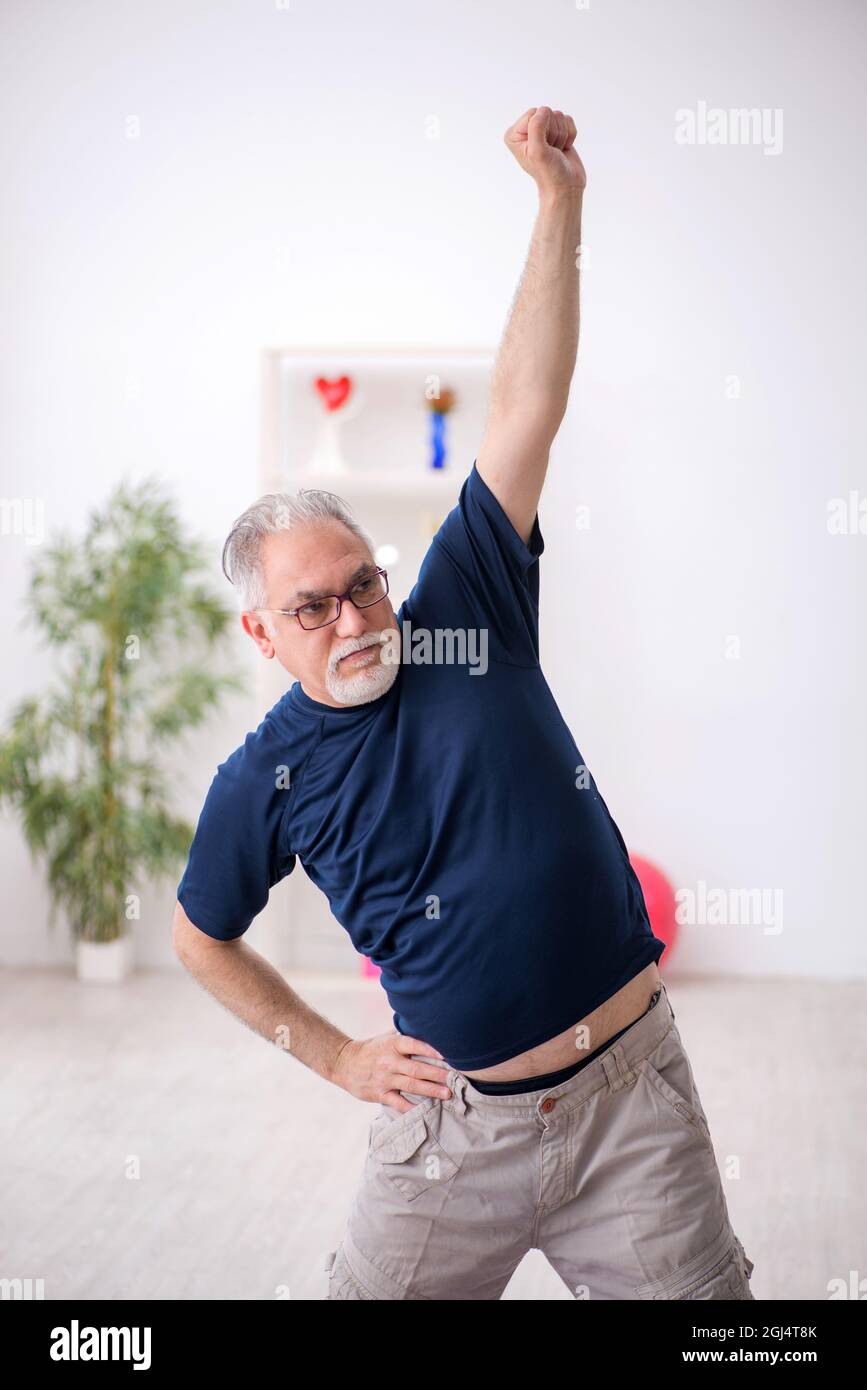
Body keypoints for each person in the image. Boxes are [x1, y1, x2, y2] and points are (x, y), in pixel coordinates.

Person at [173, 106, 755, 1301]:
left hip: (631, 1107)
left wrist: (559, 203)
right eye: (313, 609)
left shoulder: (465, 614)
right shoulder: (263, 776)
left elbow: (525, 408)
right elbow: (199, 936)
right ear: (262, 632)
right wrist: (336, 1056)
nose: (354, 620)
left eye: (362, 585)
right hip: (453, 1138)